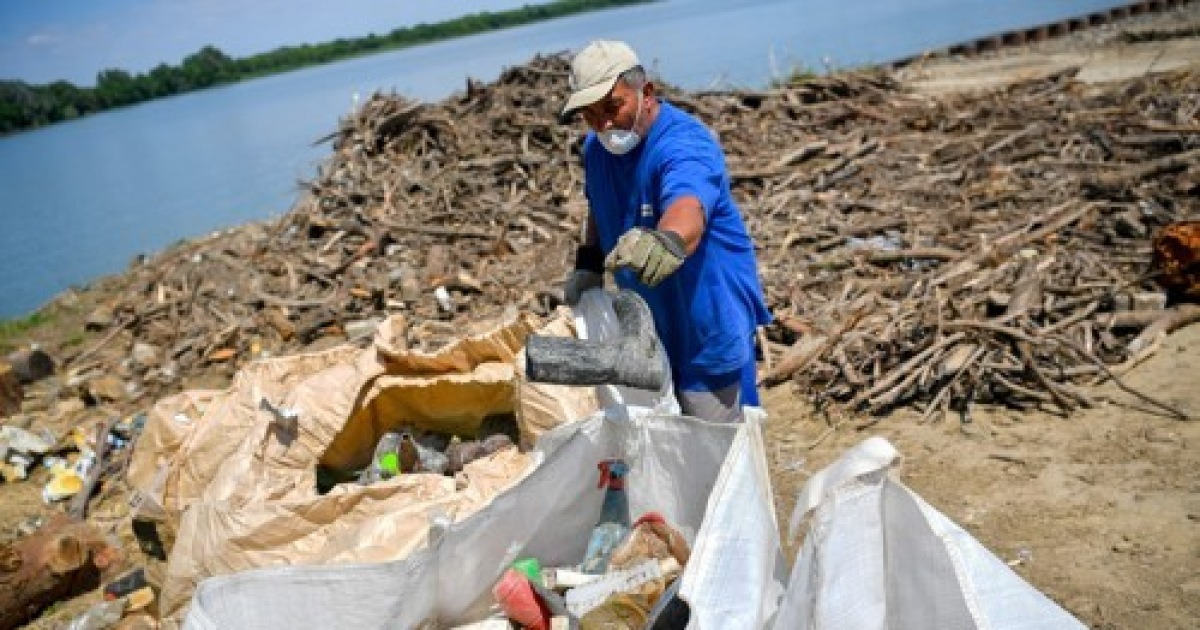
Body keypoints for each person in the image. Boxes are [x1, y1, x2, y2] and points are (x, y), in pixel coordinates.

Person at [559, 40, 772, 423]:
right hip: (649, 318)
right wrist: (588, 262)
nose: (604, 124)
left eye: (612, 107)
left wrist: (665, 242)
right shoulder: (596, 150)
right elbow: (598, 205)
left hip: (705, 315)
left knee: (717, 446)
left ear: (647, 93)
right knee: (666, 443)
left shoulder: (683, 144)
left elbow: (688, 209)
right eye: (590, 115)